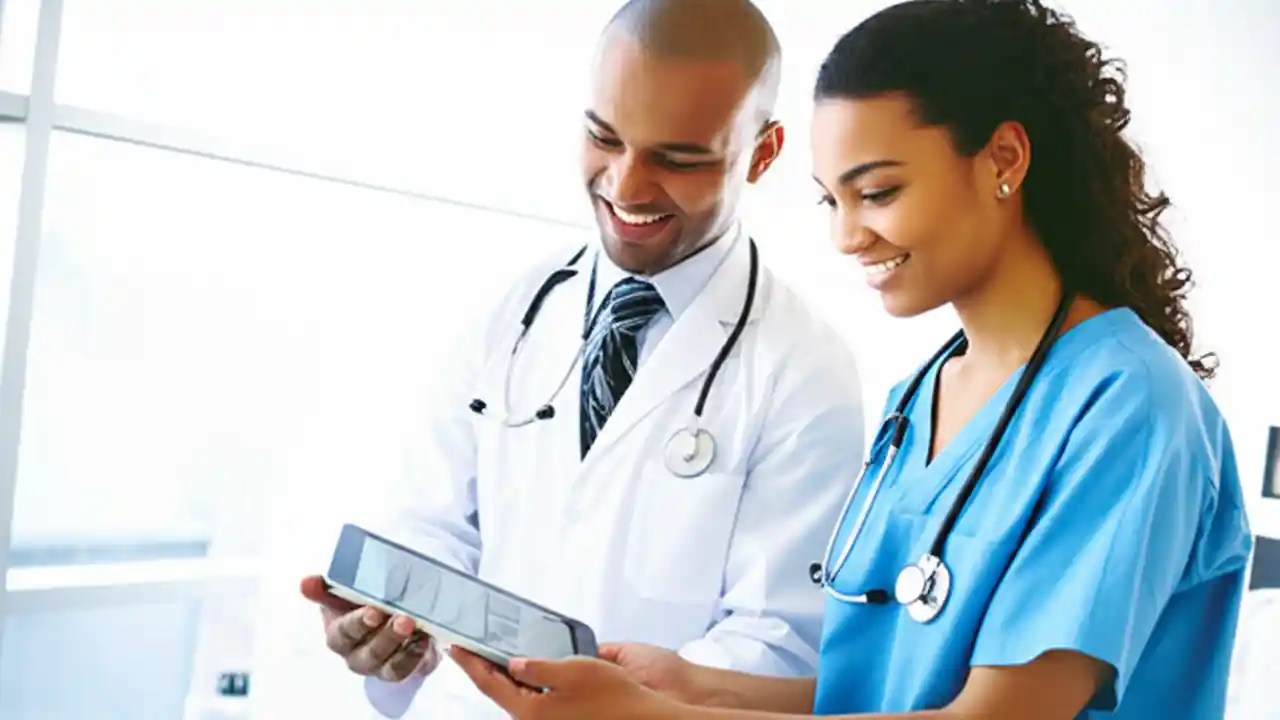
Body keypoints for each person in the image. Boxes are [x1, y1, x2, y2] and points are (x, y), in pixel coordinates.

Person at [449, 1, 1255, 718]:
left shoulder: (1131, 406)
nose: (846, 236)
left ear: (1004, 160)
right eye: (831, 199)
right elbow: (873, 693)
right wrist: (693, 686)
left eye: (877, 193)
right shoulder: (919, 399)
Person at [300, 0, 866, 717]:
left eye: (678, 159)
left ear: (762, 153)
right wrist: (392, 631)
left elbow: (778, 642)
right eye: (605, 138)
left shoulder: (808, 371)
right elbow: (433, 526)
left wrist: (629, 704)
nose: (627, 187)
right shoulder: (514, 307)